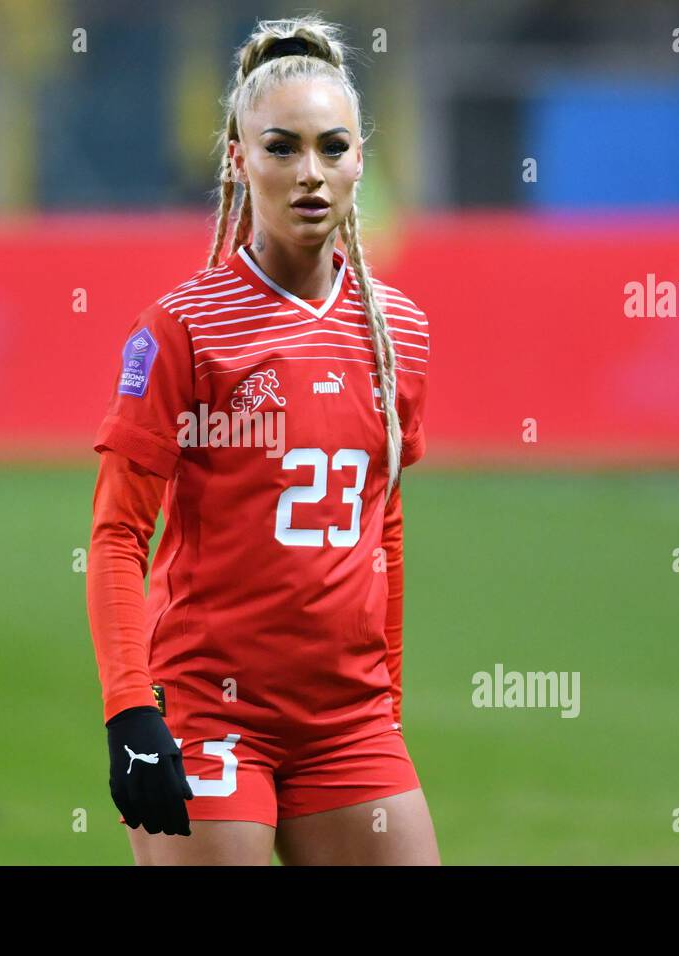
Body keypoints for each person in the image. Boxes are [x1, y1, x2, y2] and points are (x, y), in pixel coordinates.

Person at [86, 15, 438, 865]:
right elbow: (118, 536)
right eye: (281, 148)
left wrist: (385, 699)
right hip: (212, 714)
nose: (309, 173)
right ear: (239, 163)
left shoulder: (402, 332)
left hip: (348, 723)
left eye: (332, 147)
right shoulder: (181, 329)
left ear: (362, 159)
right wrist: (131, 710)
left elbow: (380, 526)